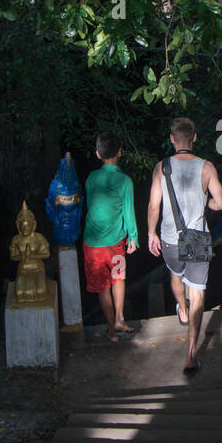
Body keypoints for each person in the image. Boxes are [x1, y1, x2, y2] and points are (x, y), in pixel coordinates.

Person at [147, 117, 222, 373]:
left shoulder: (161, 167)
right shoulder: (207, 167)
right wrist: (207, 206)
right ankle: (191, 353)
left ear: (172, 139)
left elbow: (153, 206)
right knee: (198, 294)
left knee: (175, 276)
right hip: (197, 238)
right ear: (194, 138)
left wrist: (151, 233)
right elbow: (221, 203)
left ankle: (181, 308)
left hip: (170, 237)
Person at [83, 132, 139, 343]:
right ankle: (120, 318)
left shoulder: (91, 179)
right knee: (118, 278)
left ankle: (112, 330)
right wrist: (133, 236)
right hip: (116, 243)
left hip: (93, 244)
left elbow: (91, 205)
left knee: (102, 286)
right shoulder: (125, 181)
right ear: (120, 153)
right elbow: (128, 211)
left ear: (97, 154)